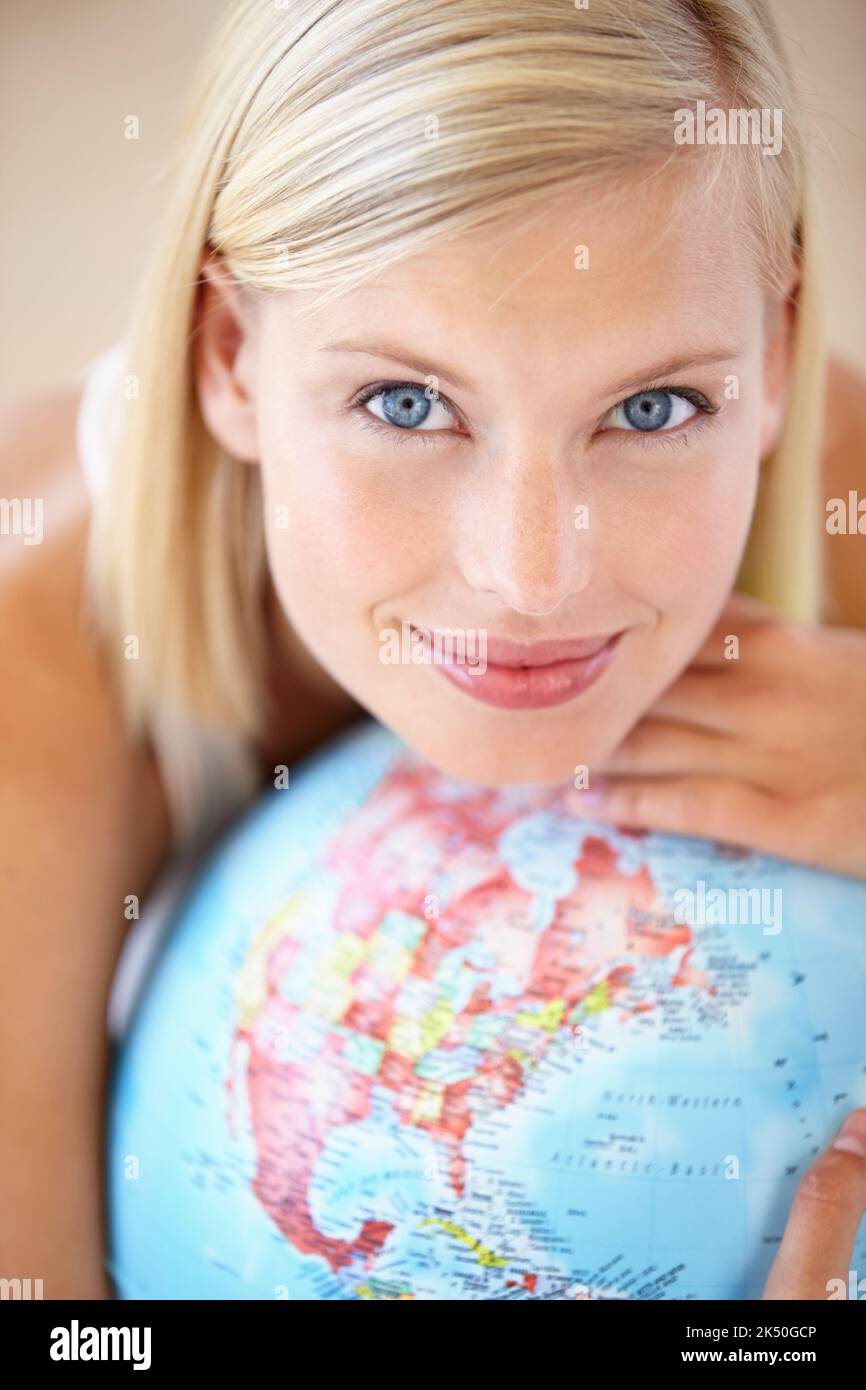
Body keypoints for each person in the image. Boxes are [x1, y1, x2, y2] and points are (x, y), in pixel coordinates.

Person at [0, 0, 863, 1300]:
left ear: (779, 353)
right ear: (228, 353)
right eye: (405, 403)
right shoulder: (26, 693)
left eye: (648, 408)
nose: (531, 576)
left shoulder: (819, 464)